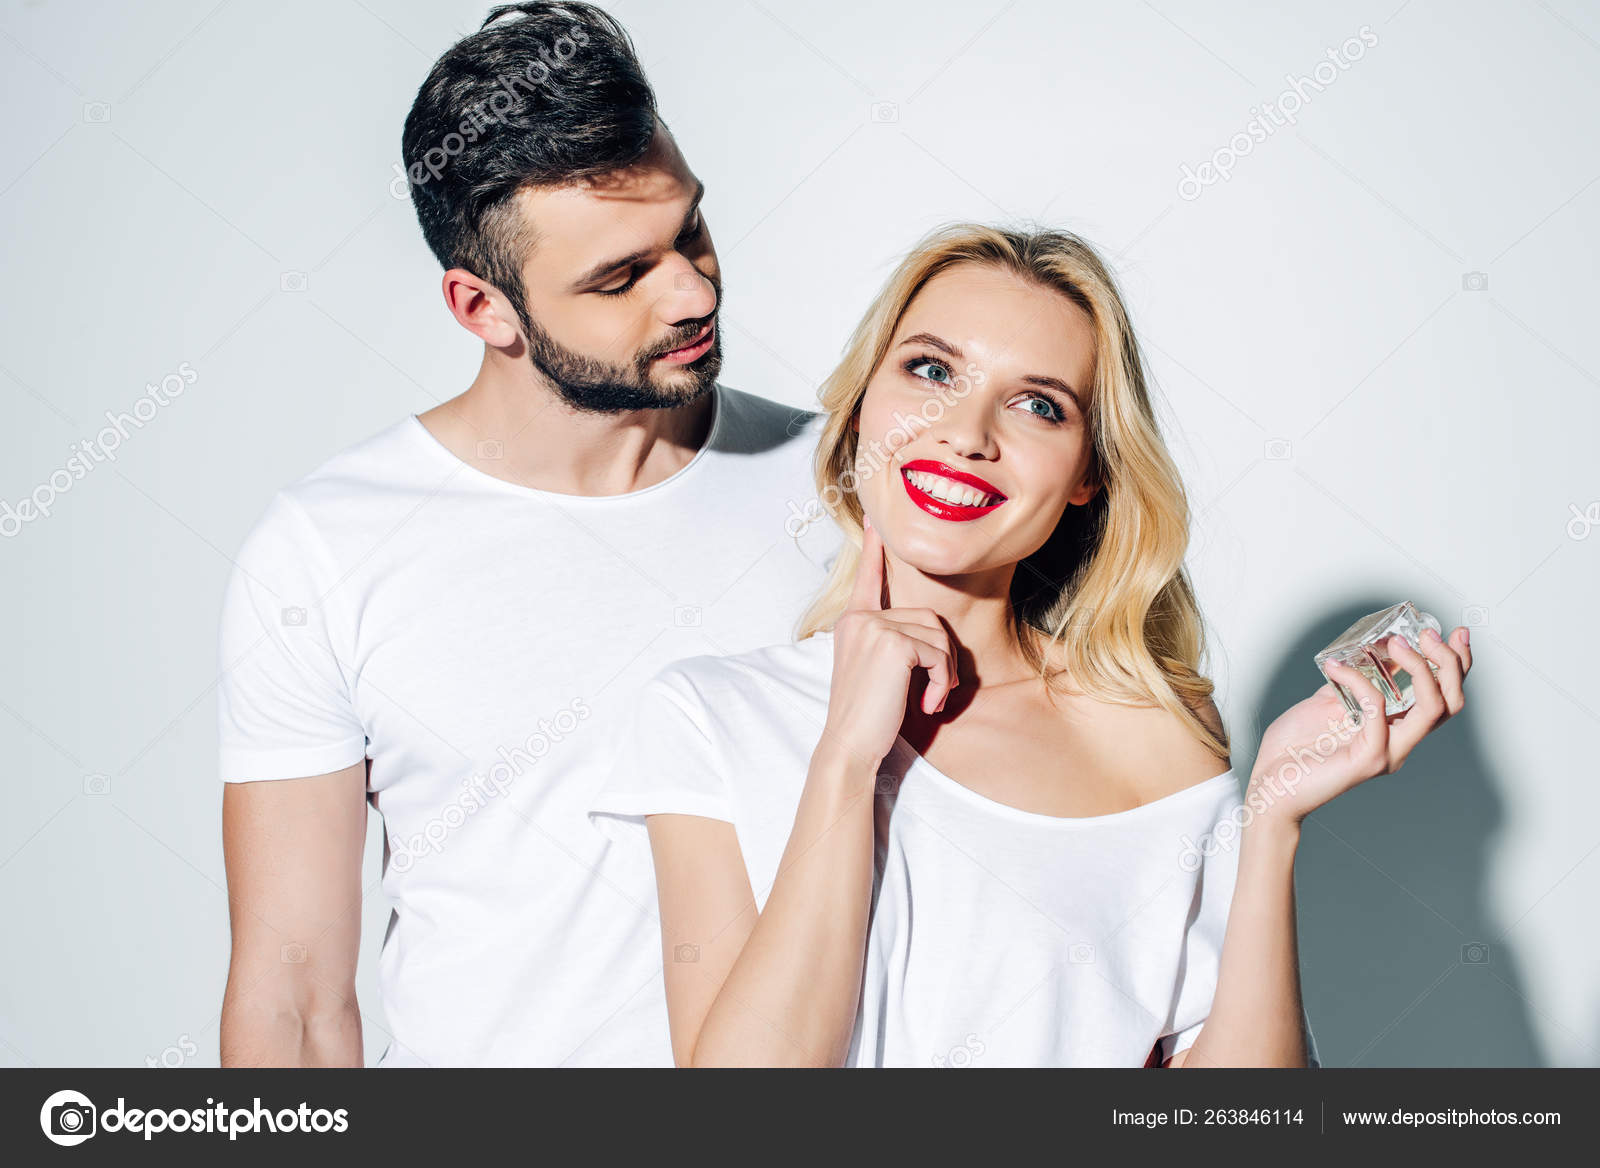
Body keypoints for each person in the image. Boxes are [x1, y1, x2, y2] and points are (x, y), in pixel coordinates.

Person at [590, 223, 1474, 1067]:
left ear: (1090, 470)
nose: (968, 434)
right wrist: (844, 760)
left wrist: (1271, 823)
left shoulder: (1151, 738)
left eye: (1039, 405)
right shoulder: (711, 717)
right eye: (931, 369)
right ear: (863, 406)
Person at [217, 2, 837, 1067]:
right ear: (482, 308)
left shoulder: (846, 495)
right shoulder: (326, 550)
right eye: (620, 275)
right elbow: (294, 996)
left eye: (688, 229)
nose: (691, 289)